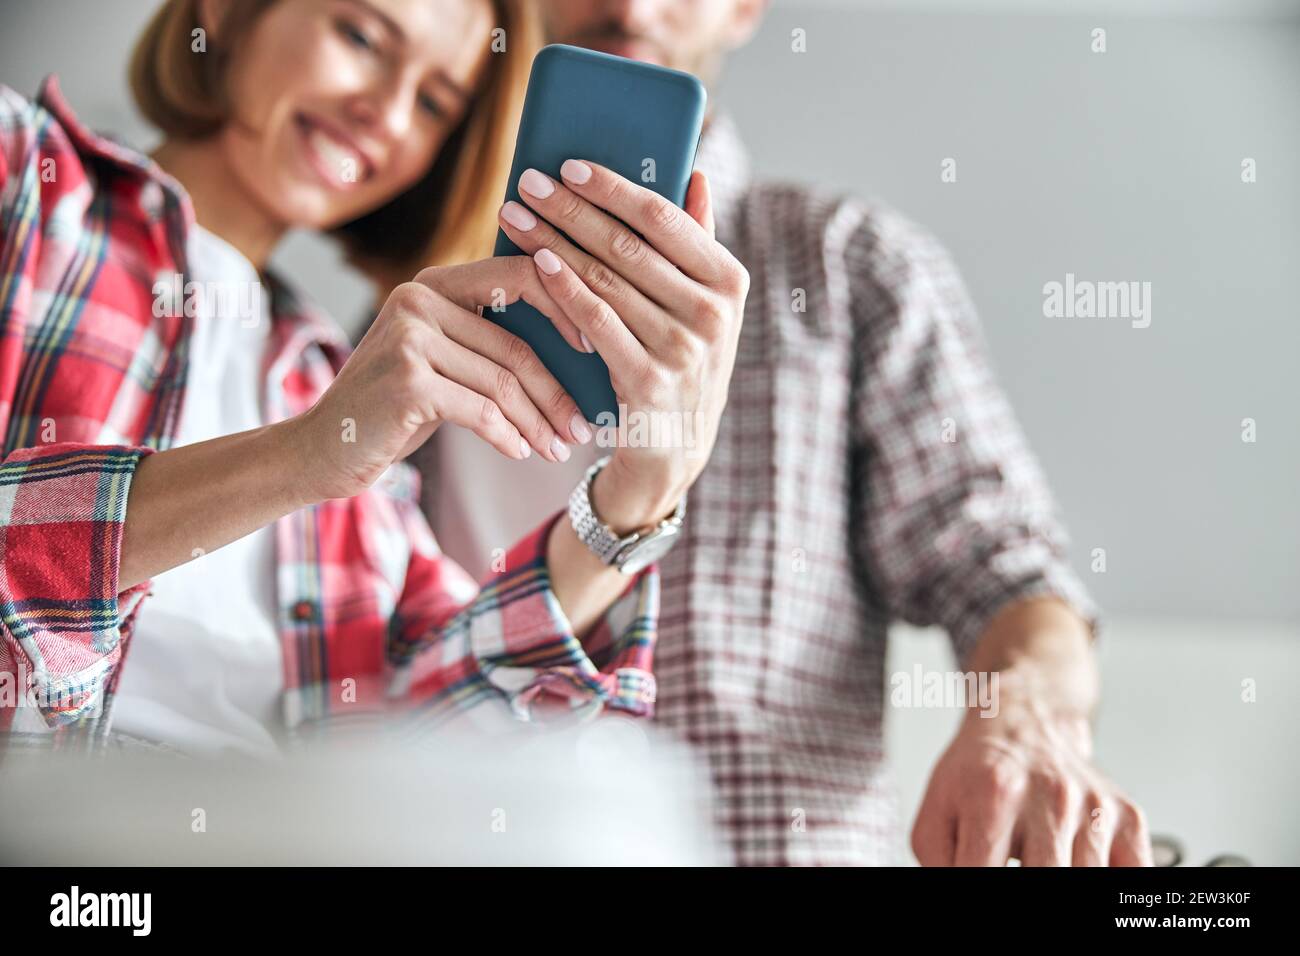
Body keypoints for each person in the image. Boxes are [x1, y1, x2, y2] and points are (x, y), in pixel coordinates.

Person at [410, 0, 1154, 866]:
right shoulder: (407, 330)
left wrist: (1025, 719)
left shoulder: (847, 266)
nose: (630, 5)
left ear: (745, 8)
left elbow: (1007, 575)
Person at [0, 0, 747, 757]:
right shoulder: (19, 174)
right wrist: (299, 458)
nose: (386, 116)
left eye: (432, 104)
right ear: (224, 13)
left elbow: (442, 724)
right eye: (361, 36)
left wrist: (641, 496)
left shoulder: (337, 373)